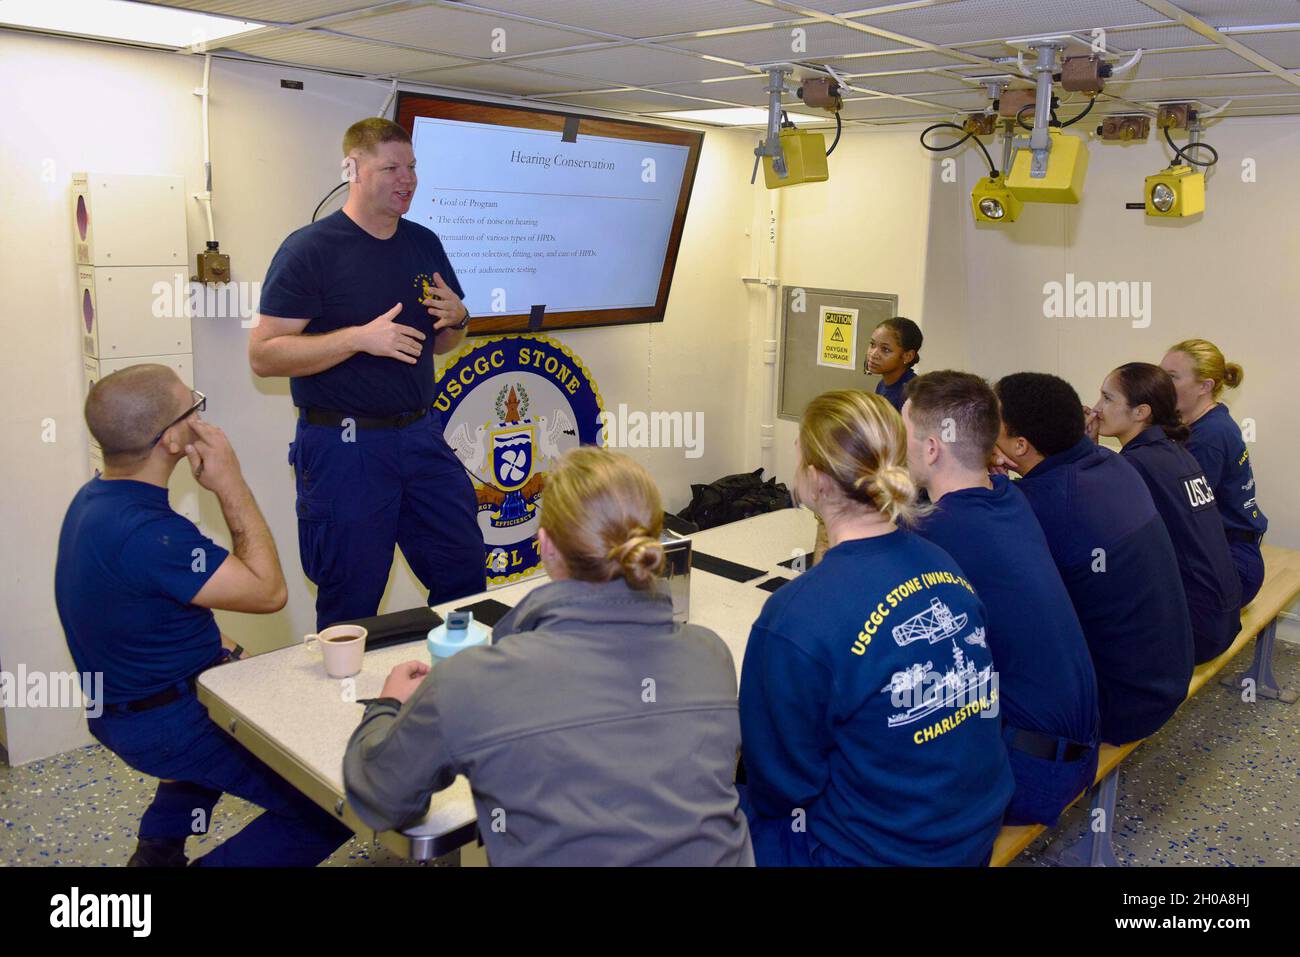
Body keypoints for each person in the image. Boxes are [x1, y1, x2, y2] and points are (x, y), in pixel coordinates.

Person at [343, 447, 753, 866]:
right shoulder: (711, 656)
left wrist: (387, 705)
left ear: (545, 545)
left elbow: (381, 799)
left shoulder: (474, 680)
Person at [54, 364, 353, 866]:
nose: (202, 414)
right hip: (166, 723)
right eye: (194, 405)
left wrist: (228, 653)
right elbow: (269, 590)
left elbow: (155, 609)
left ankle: (158, 850)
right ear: (173, 438)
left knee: (223, 735)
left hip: (127, 707)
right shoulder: (151, 535)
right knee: (330, 805)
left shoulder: (92, 500)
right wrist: (231, 484)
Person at [739, 390, 1012, 866]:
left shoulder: (792, 619)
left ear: (815, 479)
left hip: (883, 853)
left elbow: (782, 787)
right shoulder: (941, 560)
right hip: (971, 831)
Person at [249, 117, 485, 631]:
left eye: (413, 167)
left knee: (464, 570)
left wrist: (459, 320)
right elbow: (264, 356)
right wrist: (358, 338)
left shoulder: (423, 243)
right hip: (343, 446)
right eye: (392, 168)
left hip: (421, 436)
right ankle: (346, 708)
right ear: (352, 169)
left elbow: (443, 341)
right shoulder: (311, 250)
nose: (408, 179)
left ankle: (457, 692)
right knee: (351, 599)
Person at [902, 371, 1099, 827]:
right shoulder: (1010, 497)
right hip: (1074, 747)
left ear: (931, 449)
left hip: (1030, 774)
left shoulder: (934, 534)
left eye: (903, 433)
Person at [993, 373, 1194, 746]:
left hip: (1120, 705)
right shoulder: (1111, 463)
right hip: (1164, 677)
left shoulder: (1043, 505)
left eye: (993, 427)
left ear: (1020, 445)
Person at [1087, 363, 1241, 663]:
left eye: (1107, 398)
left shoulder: (1135, 465)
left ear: (1141, 412)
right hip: (1222, 616)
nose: (1096, 408)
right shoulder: (1175, 452)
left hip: (1196, 631)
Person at [1160, 339, 1267, 606]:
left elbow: (1176, 512)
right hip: (1219, 553)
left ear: (1204, 386)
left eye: (1171, 377)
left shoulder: (1210, 436)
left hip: (1232, 565)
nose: (1161, 385)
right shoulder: (1197, 424)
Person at [866, 316, 923, 412]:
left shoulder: (911, 395)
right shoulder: (882, 384)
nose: (873, 354)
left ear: (908, 356)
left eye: (885, 349)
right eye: (872, 344)